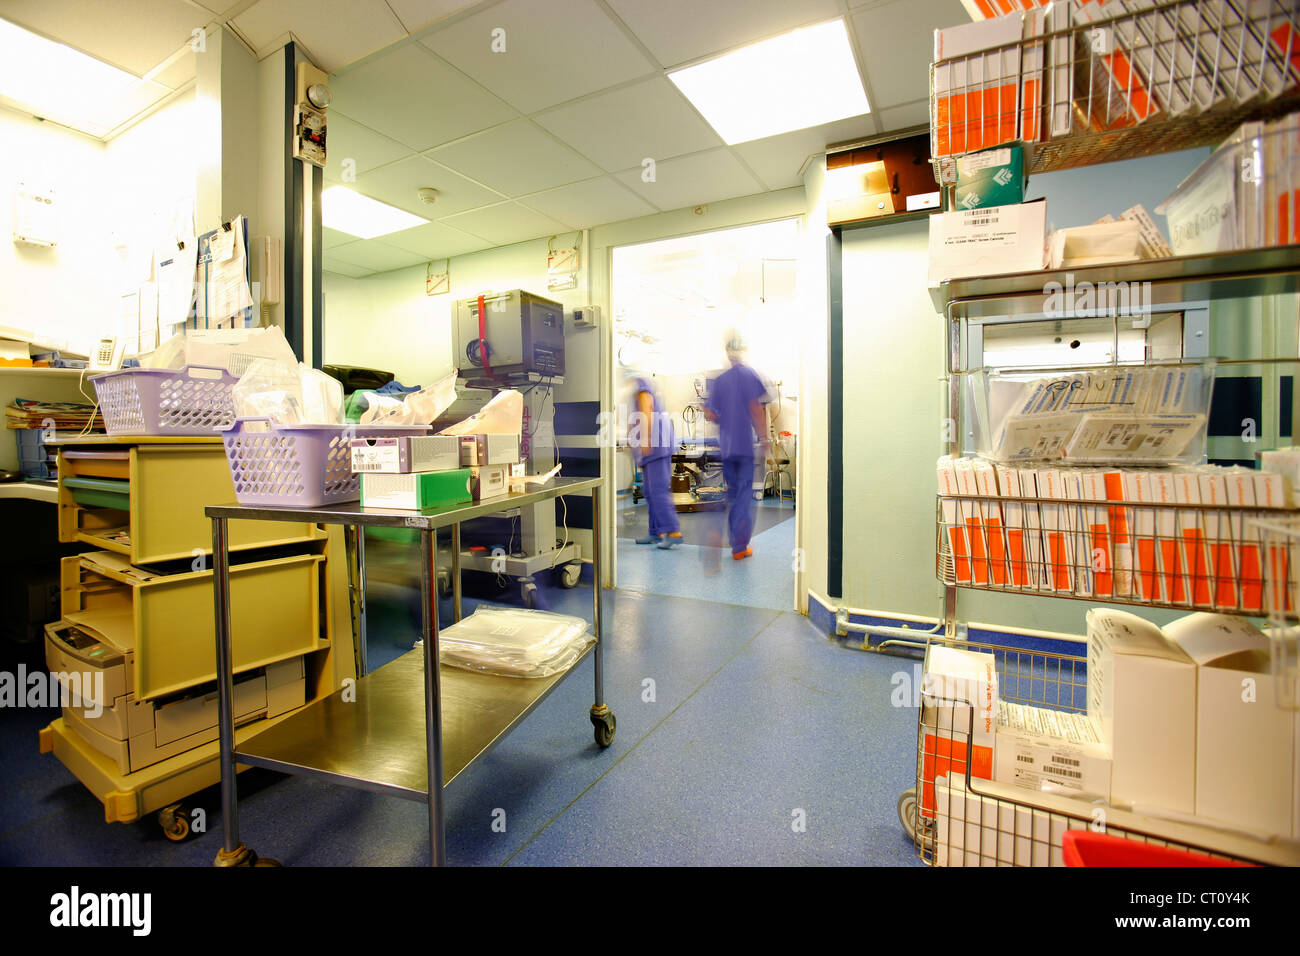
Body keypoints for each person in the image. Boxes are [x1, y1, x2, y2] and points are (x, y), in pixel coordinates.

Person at [704, 331, 769, 560]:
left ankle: (730, 539)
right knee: (743, 496)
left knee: (732, 495)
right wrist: (765, 438)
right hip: (743, 446)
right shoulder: (748, 374)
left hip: (727, 448)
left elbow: (709, 413)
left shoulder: (720, 380)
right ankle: (739, 547)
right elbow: (755, 408)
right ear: (742, 351)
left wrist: (726, 420)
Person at [626, 373, 683, 549]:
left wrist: (644, 439)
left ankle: (673, 532)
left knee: (657, 490)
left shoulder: (642, 383)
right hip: (652, 447)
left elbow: (646, 410)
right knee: (650, 491)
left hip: (655, 445)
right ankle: (655, 532)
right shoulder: (638, 386)